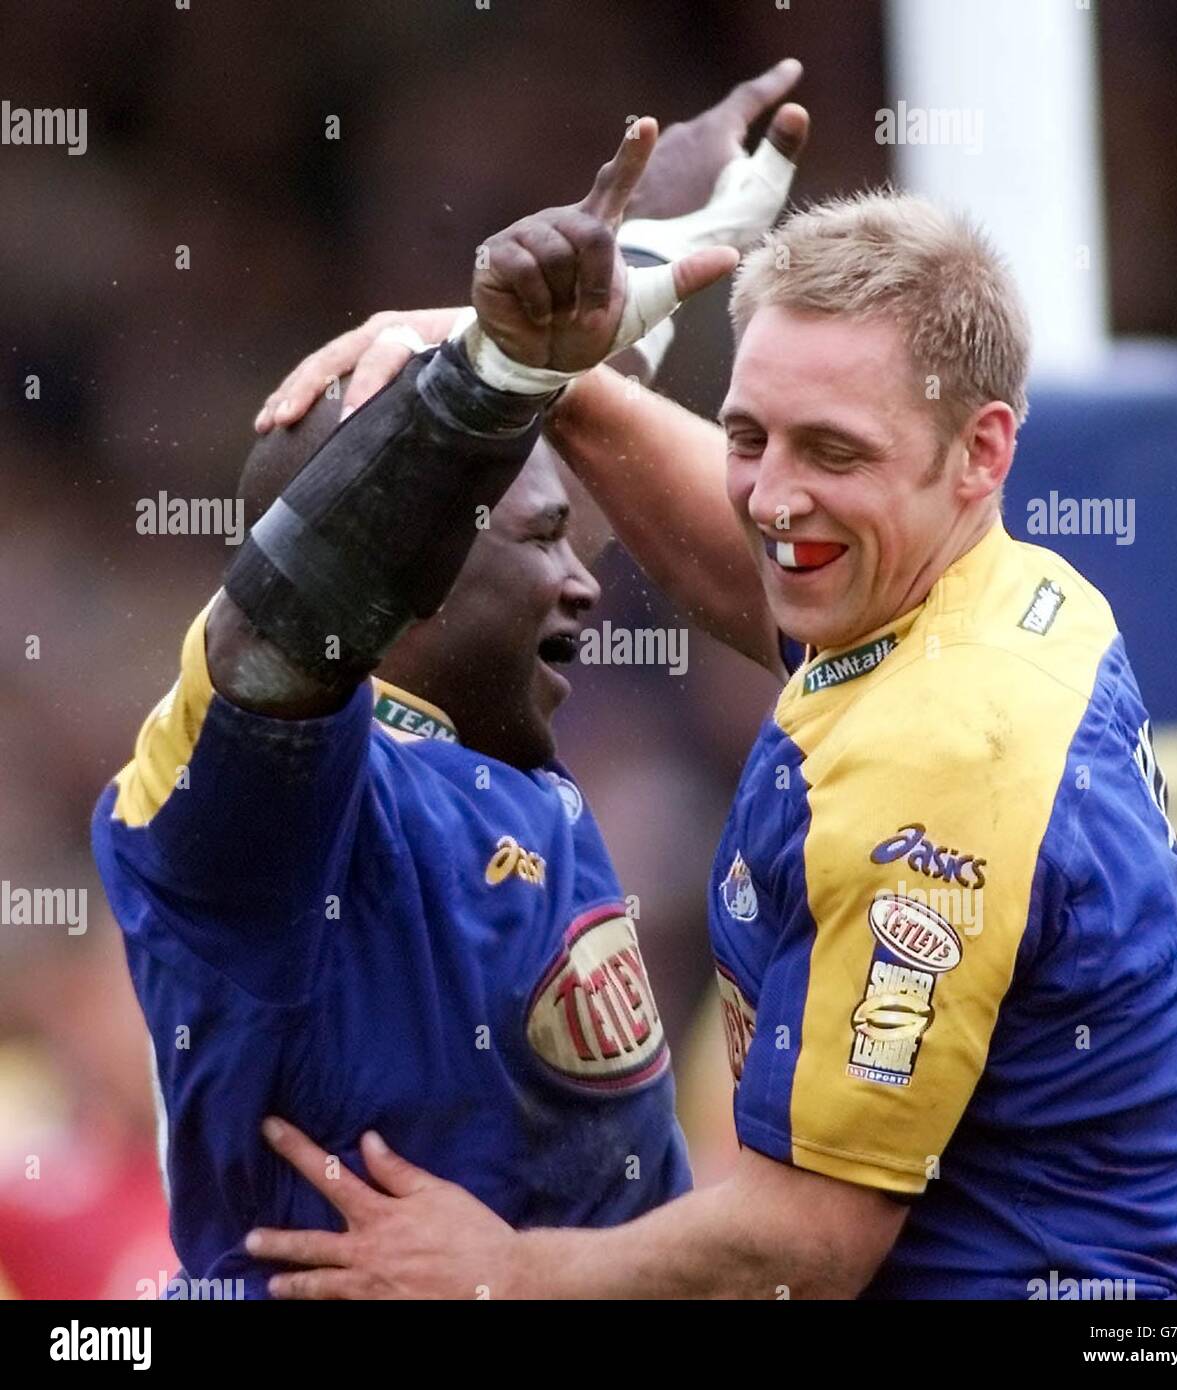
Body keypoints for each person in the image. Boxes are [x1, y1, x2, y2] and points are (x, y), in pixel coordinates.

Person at [249, 183, 1177, 1300]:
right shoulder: (981, 589)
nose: (773, 498)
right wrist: (521, 366)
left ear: (980, 449)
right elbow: (757, 558)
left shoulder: (943, 759)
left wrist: (500, 1274)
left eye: (832, 452)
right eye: (749, 435)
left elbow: (801, 1249)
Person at [92, 79, 806, 1297]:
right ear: (408, 577)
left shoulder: (488, 742)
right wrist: (479, 376)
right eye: (539, 545)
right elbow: (301, 602)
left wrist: (666, 241)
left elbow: (565, 439)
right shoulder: (263, 813)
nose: (584, 579)